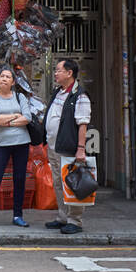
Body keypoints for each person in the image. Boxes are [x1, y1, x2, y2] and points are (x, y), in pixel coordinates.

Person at [0, 68, 39, 228]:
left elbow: (27, 117)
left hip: (21, 143)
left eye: (8, 77)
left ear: (13, 82)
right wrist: (16, 116)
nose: (4, 79)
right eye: (2, 76)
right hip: (1, 144)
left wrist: (6, 121)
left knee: (19, 179)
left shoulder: (20, 97)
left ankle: (18, 215)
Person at [44, 58, 92, 234]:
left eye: (58, 70)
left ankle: (75, 221)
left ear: (69, 73)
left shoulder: (80, 96)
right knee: (58, 183)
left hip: (69, 147)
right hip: (54, 147)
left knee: (73, 183)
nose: (55, 73)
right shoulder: (58, 92)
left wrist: (81, 149)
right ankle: (63, 216)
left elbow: (83, 124)